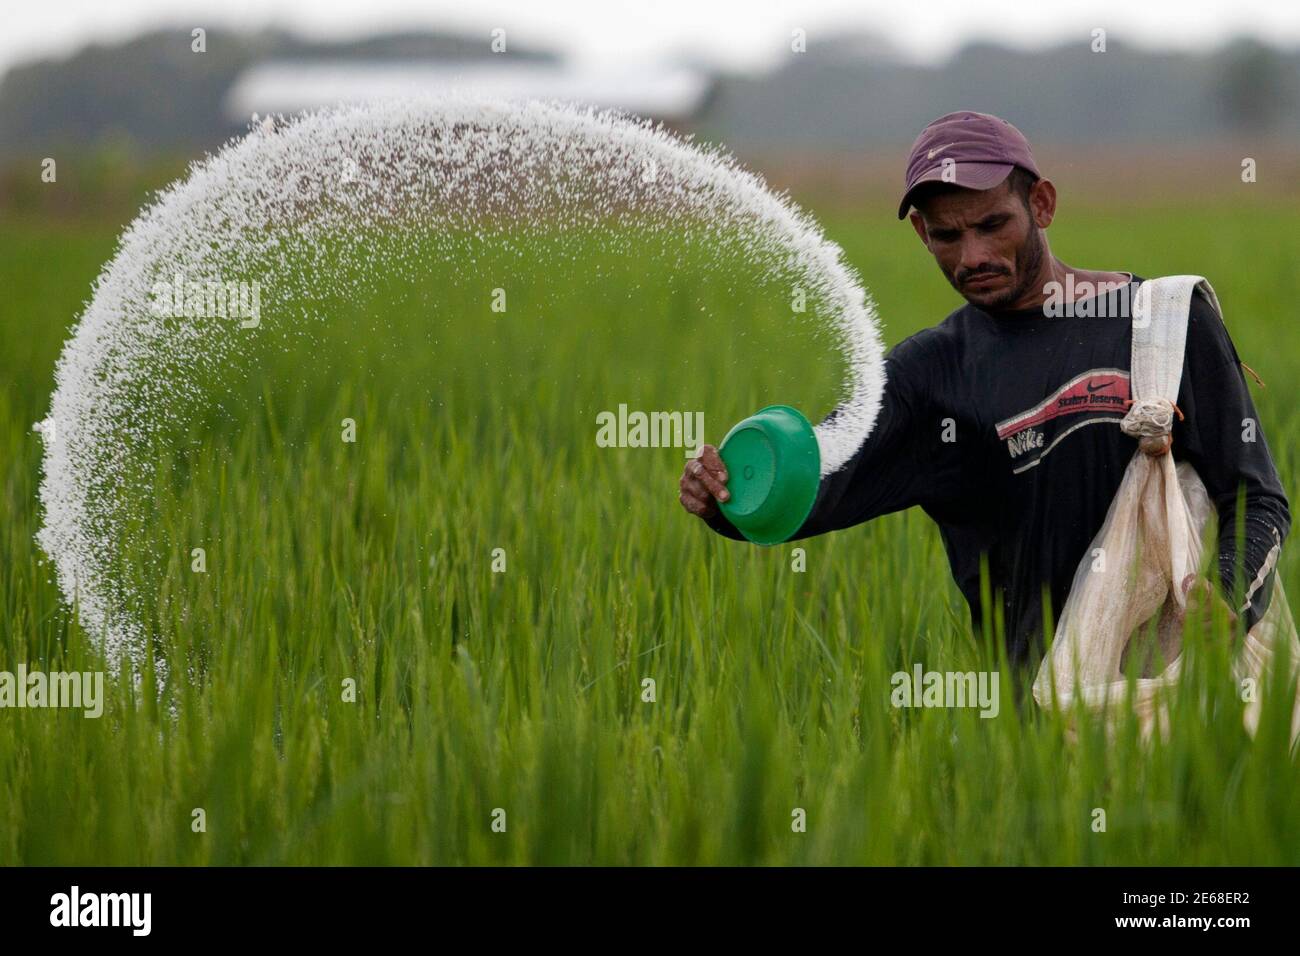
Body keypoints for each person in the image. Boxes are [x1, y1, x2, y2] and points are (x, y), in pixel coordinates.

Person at [678, 110, 1290, 667]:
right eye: (947, 237)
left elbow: (1255, 495)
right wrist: (726, 498)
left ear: (1042, 204)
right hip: (1041, 721)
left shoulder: (1162, 322)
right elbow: (817, 484)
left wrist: (1229, 599)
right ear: (922, 233)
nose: (972, 256)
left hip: (1182, 692)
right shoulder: (930, 377)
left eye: (993, 225)